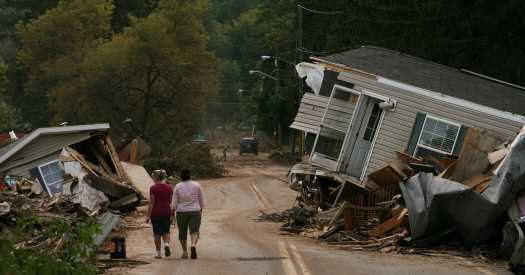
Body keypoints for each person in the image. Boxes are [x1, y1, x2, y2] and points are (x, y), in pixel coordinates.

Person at [172, 169, 203, 259]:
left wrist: (172, 211)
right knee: (195, 230)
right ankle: (193, 245)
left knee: (182, 232)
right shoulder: (196, 185)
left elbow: (174, 202)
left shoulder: (178, 186)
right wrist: (200, 209)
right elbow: (201, 199)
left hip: (181, 212)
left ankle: (185, 252)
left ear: (181, 176)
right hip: (194, 210)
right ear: (190, 176)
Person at [145, 169, 173, 259]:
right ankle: (166, 244)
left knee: (157, 233)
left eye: (153, 176)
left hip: (156, 213)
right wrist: (173, 214)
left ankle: (158, 253)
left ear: (156, 177)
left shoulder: (153, 188)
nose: (152, 178)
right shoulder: (169, 187)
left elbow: (151, 203)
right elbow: (171, 201)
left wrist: (148, 216)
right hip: (166, 211)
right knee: (166, 231)